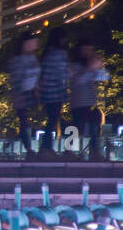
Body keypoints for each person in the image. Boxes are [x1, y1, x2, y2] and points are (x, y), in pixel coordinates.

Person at [68, 41, 110, 161]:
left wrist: (98, 67)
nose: (89, 53)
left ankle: (94, 151)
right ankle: (70, 151)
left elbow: (105, 76)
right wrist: (90, 69)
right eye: (86, 50)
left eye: (91, 50)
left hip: (89, 102)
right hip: (78, 101)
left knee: (93, 122)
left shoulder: (89, 66)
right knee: (76, 127)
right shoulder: (74, 66)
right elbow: (78, 80)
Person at [7, 31, 41, 156]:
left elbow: (37, 75)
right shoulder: (17, 60)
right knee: (24, 121)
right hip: (21, 94)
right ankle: (29, 149)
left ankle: (30, 148)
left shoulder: (32, 58)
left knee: (28, 121)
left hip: (32, 93)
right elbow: (15, 79)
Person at [37, 27, 69, 155]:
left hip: (46, 92)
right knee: (53, 120)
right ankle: (46, 148)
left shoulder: (46, 53)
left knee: (51, 120)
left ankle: (46, 147)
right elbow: (64, 73)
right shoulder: (61, 54)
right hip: (56, 91)